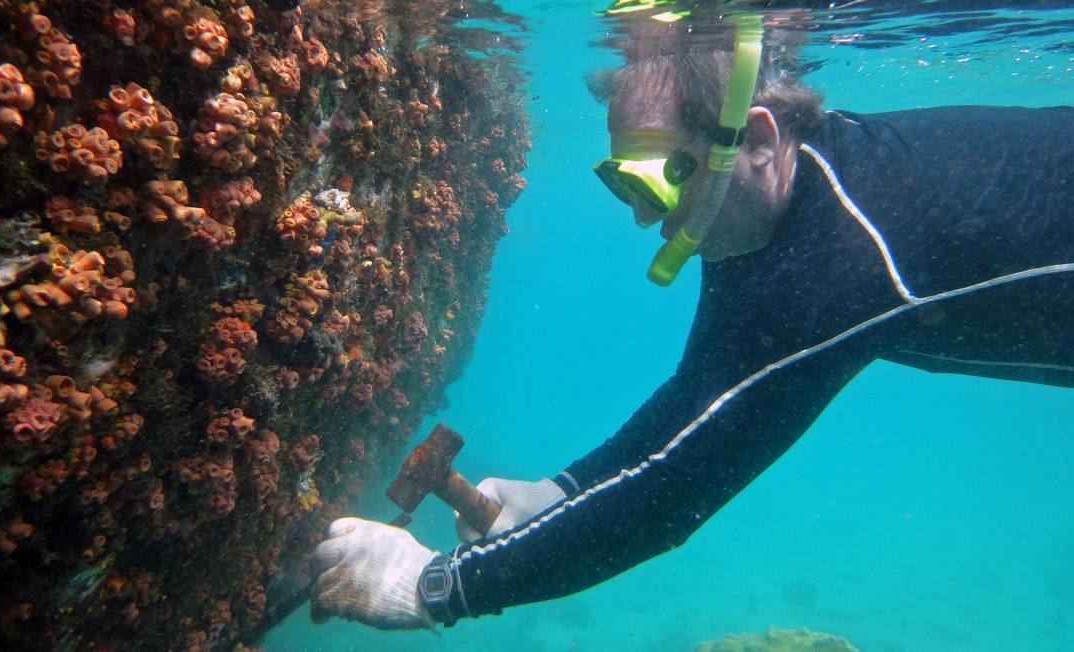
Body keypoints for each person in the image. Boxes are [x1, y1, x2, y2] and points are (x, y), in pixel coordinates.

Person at [307, 6, 1074, 631]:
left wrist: (440, 586)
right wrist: (560, 490)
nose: (645, 221)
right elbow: (701, 392)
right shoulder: (777, 205)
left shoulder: (840, 257)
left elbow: (673, 492)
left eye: (660, 181)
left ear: (762, 140)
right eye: (621, 182)